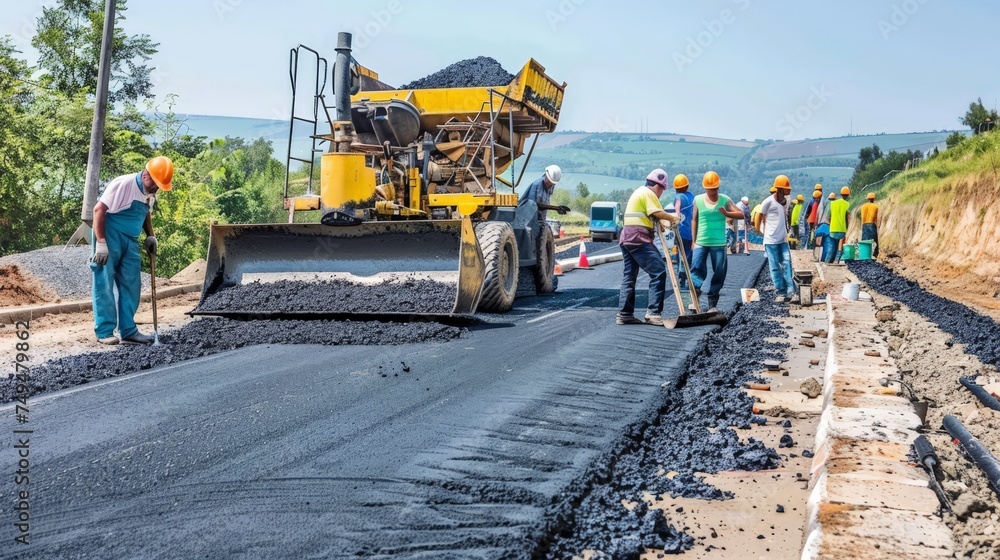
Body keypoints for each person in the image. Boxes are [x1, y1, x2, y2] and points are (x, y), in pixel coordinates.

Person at [91, 156, 173, 345]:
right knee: (104, 281)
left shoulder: (150, 190)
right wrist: (102, 243)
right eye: (156, 184)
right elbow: (98, 211)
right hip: (109, 233)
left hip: (131, 239)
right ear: (146, 175)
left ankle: (128, 331)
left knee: (131, 284)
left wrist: (150, 236)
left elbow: (145, 212)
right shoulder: (124, 184)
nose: (157, 189)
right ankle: (104, 331)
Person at [616, 169, 681, 326]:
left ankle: (625, 314)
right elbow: (656, 212)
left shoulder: (640, 192)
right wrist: (672, 217)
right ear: (659, 186)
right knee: (658, 272)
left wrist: (664, 222)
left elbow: (653, 216)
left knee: (629, 276)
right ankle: (653, 313)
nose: (660, 194)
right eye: (662, 191)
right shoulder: (648, 193)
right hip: (638, 238)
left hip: (627, 238)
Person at [690, 171, 746, 312]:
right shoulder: (698, 200)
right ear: (705, 188)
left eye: (715, 188)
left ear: (718, 187)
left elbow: (741, 214)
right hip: (701, 241)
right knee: (696, 269)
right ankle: (694, 299)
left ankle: (712, 304)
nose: (713, 192)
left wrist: (727, 214)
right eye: (710, 189)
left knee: (719, 271)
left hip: (719, 243)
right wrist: (693, 240)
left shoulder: (724, 200)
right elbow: (694, 219)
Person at [757, 176, 798, 302]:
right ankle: (781, 291)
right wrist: (759, 230)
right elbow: (759, 216)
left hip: (782, 240)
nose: (789, 191)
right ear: (779, 189)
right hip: (771, 240)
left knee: (787, 264)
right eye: (786, 189)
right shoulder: (768, 202)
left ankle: (791, 291)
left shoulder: (786, 201)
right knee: (775, 266)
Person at [672, 174, 695, 290]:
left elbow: (677, 208)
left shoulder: (679, 196)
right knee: (688, 255)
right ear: (687, 186)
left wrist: (676, 219)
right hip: (691, 232)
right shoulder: (692, 196)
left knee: (680, 254)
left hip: (681, 231)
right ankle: (687, 277)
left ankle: (681, 278)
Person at [824, 187, 851, 263]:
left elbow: (828, 216)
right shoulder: (847, 204)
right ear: (848, 195)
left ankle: (827, 261)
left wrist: (831, 224)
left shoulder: (832, 204)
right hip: (842, 229)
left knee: (832, 247)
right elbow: (848, 217)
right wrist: (847, 228)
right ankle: (836, 260)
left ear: (841, 194)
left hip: (832, 228)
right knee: (840, 247)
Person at [815, 192, 835, 261]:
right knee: (828, 245)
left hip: (821, 226)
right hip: (828, 227)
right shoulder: (833, 205)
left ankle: (819, 259)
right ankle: (826, 260)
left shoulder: (824, 204)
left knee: (821, 245)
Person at [860, 192, 880, 257]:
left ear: (868, 199)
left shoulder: (863, 207)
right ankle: (874, 255)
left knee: (865, 239)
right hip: (872, 224)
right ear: (873, 199)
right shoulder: (876, 206)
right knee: (873, 240)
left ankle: (865, 255)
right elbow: (877, 218)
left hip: (864, 224)